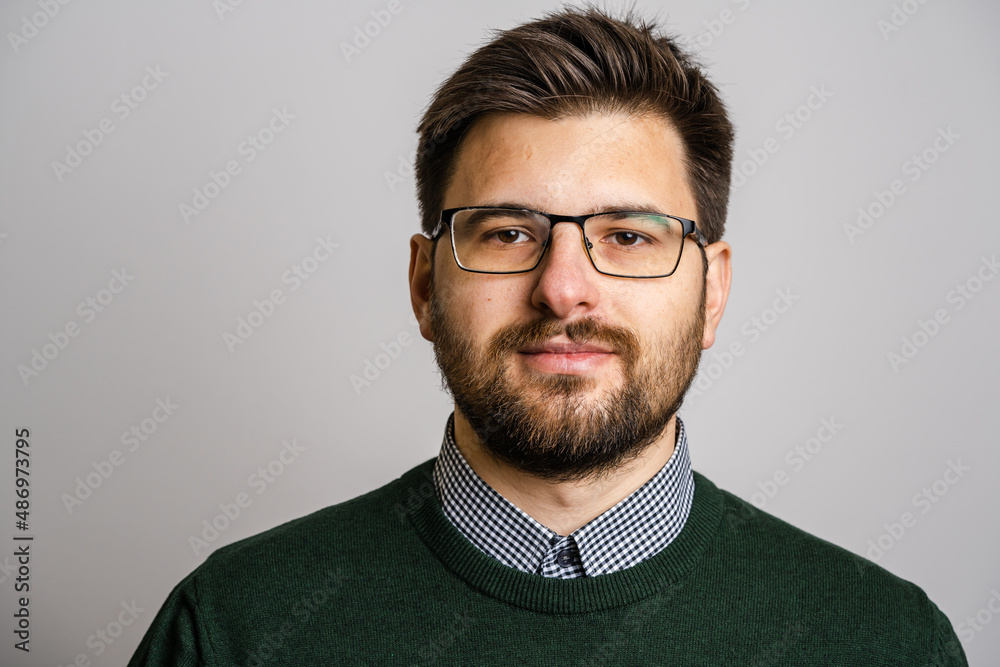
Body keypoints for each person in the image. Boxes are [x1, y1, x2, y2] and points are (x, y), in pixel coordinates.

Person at [129, 6, 968, 665]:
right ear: (426, 284)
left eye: (630, 236)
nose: (564, 288)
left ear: (712, 292)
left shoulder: (882, 639)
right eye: (506, 232)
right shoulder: (233, 627)